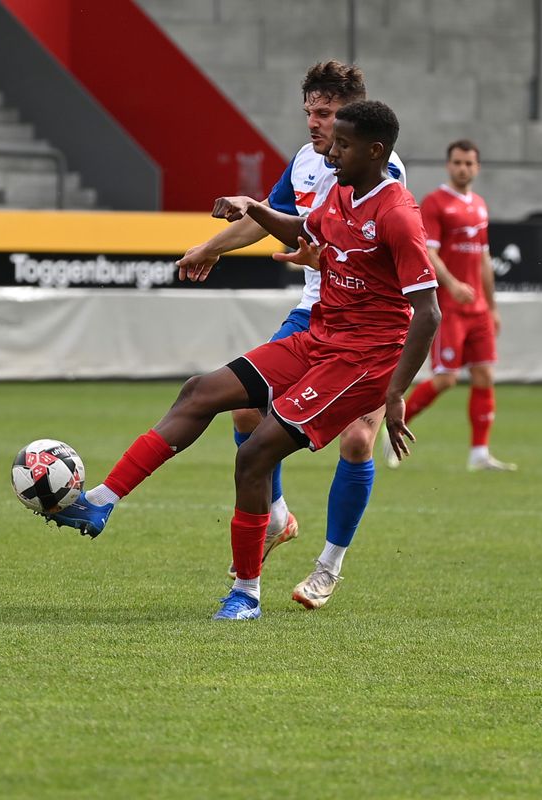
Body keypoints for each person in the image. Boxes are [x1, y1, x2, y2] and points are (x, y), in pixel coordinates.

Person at [43, 100, 441, 621]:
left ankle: (246, 594)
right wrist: (254, 208)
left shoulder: (397, 213)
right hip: (319, 336)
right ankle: (100, 500)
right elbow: (304, 230)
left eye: (342, 145)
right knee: (200, 391)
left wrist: (393, 393)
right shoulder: (344, 191)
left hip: (363, 362)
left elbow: (427, 313)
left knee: (255, 454)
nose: (333, 152)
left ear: (375, 150)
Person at [175, 60, 406, 608]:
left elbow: (368, 251)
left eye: (324, 112)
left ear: (352, 121)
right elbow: (270, 216)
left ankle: (328, 567)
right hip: (313, 313)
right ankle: (277, 518)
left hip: (372, 325)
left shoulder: (382, 173)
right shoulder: (305, 161)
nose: (312, 121)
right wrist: (211, 247)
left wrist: (320, 254)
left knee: (355, 440)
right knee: (244, 412)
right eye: (309, 110)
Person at [395, 140, 517, 472]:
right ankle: (394, 421)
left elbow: (483, 260)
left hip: (477, 309)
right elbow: (429, 252)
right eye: (458, 162)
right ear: (448, 165)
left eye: (469, 163)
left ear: (477, 168)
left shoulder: (479, 205)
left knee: (484, 375)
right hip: (448, 305)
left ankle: (479, 453)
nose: (463, 168)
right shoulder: (435, 203)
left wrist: (491, 306)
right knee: (446, 378)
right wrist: (452, 284)